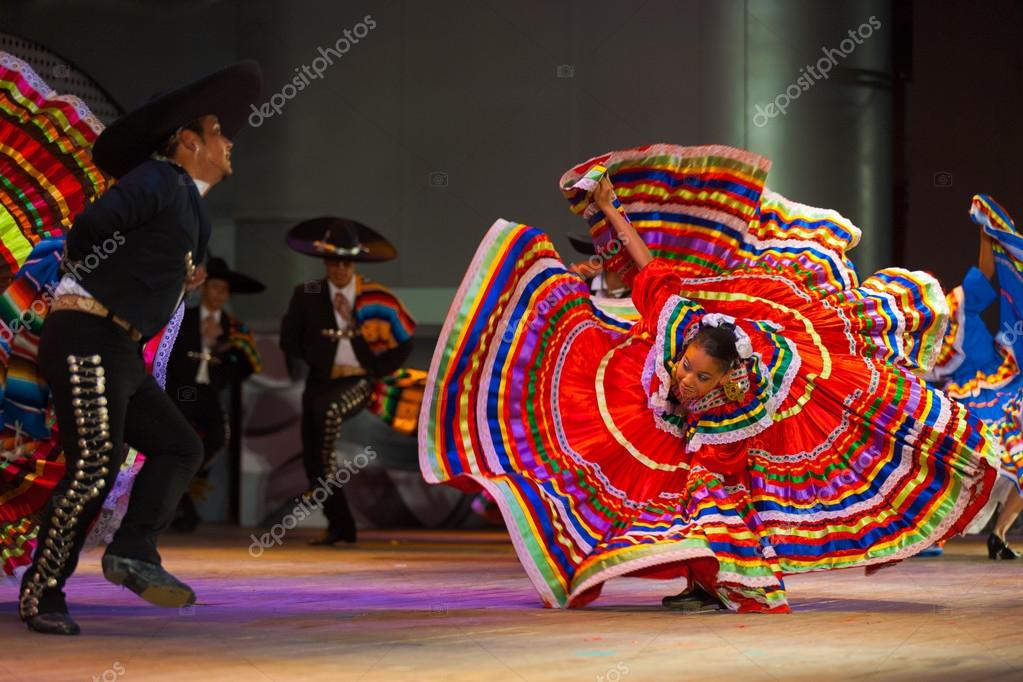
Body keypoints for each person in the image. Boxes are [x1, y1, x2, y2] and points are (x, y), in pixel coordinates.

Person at [419, 143, 1000, 612]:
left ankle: (716, 583)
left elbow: (720, 480)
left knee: (704, 498)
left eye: (698, 376)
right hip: (704, 400)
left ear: (725, 380)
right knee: (598, 420)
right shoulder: (678, 321)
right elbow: (645, 260)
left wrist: (704, 444)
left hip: (751, 440)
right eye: (685, 367)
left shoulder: (744, 402)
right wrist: (605, 201)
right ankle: (700, 578)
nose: (685, 379)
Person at [16, 61, 262, 635]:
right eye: (219, 132)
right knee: (94, 467)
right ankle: (42, 591)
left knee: (180, 447)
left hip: (119, 347)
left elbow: (149, 257)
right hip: (87, 336)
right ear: (186, 141)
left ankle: (133, 552)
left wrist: (177, 276)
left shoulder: (189, 206)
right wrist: (120, 271)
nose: (230, 143)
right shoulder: (156, 179)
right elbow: (89, 230)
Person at [280, 218, 415, 546]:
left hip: (359, 381)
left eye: (346, 262)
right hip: (320, 380)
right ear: (325, 262)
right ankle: (341, 526)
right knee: (314, 454)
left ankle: (323, 490)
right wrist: (315, 356)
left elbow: (404, 339)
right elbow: (289, 340)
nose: (340, 269)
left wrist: (376, 370)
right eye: (334, 261)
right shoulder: (307, 293)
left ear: (354, 263)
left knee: (327, 413)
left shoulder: (376, 297)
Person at [926, 194, 1023, 559]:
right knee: (964, 471)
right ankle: (930, 535)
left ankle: (1000, 532)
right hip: (968, 404)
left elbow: (985, 272)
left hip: (1007, 381)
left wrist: (988, 230)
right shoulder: (920, 344)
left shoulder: (957, 306)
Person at [165, 257, 264, 532]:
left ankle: (183, 485)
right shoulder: (185, 317)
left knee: (219, 437)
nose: (219, 294)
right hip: (182, 391)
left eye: (224, 290)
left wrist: (222, 349)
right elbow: (167, 356)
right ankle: (180, 502)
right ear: (205, 287)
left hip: (210, 391)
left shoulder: (234, 328)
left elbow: (247, 365)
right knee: (179, 440)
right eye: (215, 287)